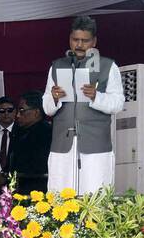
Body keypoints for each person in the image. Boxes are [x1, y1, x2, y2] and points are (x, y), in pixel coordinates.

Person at [42, 15, 124, 194]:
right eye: (75, 40)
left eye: (84, 41)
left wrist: (96, 97)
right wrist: (54, 98)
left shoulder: (108, 66)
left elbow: (118, 103)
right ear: (69, 39)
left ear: (94, 41)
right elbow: (47, 107)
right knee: (60, 200)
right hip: (63, 147)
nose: (79, 45)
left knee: (94, 196)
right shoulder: (57, 66)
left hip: (95, 147)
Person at [12, 91, 52, 195]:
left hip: (36, 191)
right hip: (19, 187)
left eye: (22, 111)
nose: (17, 115)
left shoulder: (46, 133)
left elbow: (37, 166)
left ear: (36, 112)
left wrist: (9, 176)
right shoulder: (20, 131)